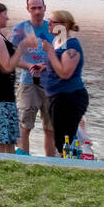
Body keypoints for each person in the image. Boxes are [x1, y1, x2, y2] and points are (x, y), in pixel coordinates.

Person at [0, 1, 35, 154]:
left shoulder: (0, 37)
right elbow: (6, 66)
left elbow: (13, 60)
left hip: (6, 91)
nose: (7, 18)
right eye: (5, 14)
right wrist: (23, 45)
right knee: (0, 137)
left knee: (9, 136)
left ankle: (11, 166)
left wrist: (31, 66)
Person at [12, 0, 55, 156]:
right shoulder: (19, 29)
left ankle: (51, 164)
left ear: (45, 8)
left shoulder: (56, 28)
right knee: (25, 126)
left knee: (51, 128)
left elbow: (65, 54)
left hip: (51, 84)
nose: (37, 11)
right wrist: (29, 65)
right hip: (28, 83)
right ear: (28, 9)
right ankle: (25, 162)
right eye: (33, 8)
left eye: (40, 8)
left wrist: (45, 65)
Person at [39, 9, 87, 156]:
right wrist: (43, 67)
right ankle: (67, 163)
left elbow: (65, 73)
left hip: (70, 97)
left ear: (64, 25)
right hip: (57, 96)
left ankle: (70, 167)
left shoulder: (72, 46)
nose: (49, 24)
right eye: (49, 20)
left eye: (53, 21)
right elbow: (57, 64)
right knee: (60, 137)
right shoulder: (58, 41)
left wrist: (50, 52)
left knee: (63, 139)